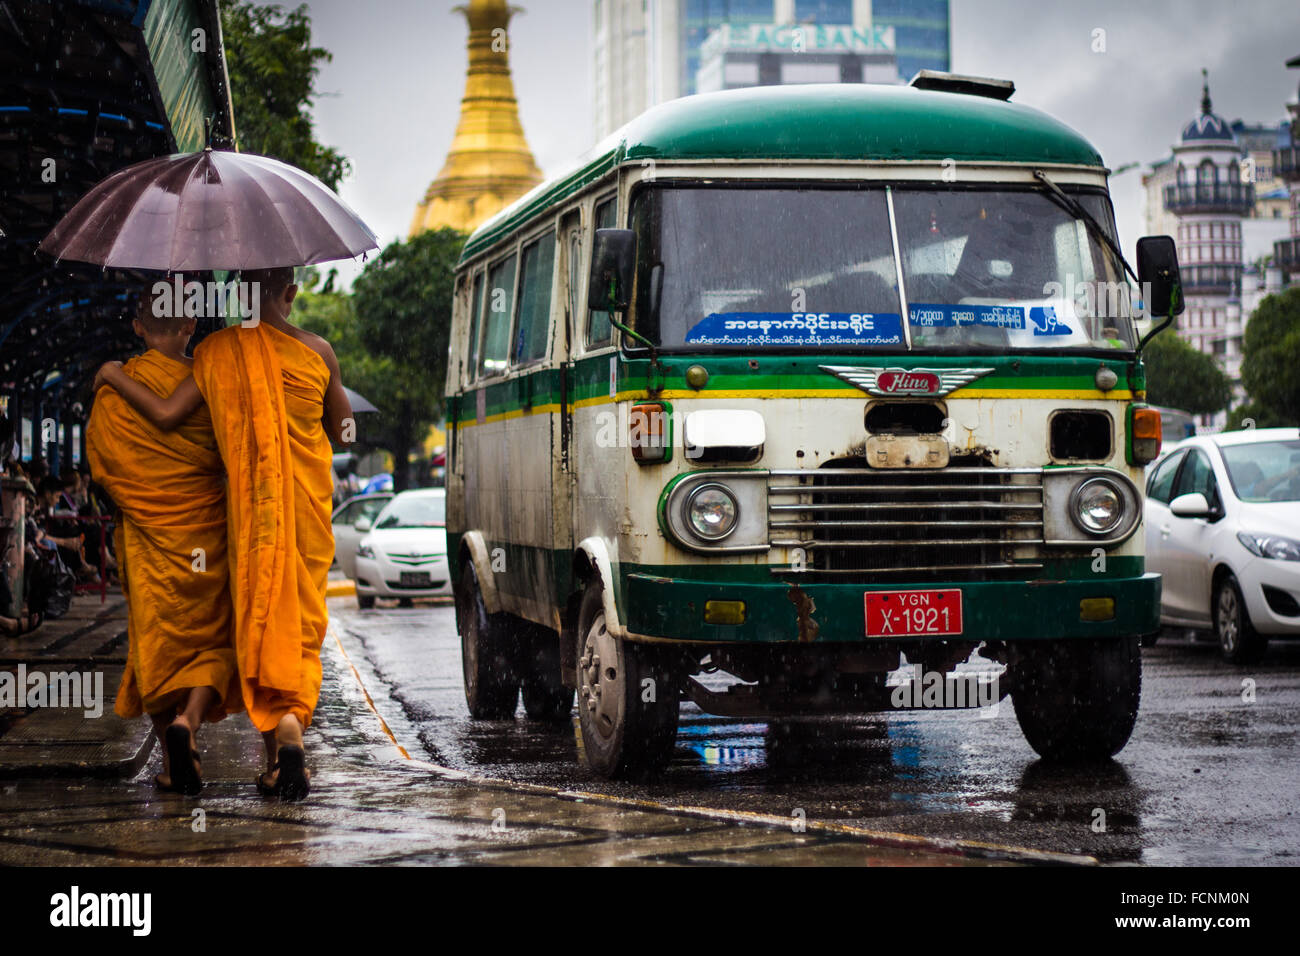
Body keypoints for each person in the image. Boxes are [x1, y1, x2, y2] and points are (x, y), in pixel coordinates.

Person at [95, 267, 352, 801]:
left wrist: (114, 375)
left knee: (252, 622)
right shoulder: (318, 351)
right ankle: (286, 734)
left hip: (248, 521)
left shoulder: (215, 354)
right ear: (291, 293)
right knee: (293, 627)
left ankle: (193, 736)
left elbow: (166, 415)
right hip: (303, 518)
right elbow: (344, 431)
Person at [86, 288, 241, 795]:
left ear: (136, 326)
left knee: (154, 647)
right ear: (190, 326)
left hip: (151, 540)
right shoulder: (208, 374)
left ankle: (174, 765)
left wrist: (110, 373)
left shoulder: (117, 389)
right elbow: (229, 445)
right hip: (204, 534)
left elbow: (107, 469)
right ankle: (189, 723)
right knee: (214, 640)